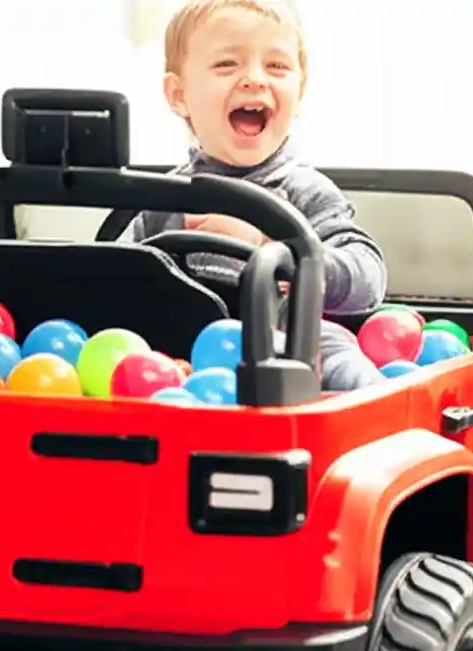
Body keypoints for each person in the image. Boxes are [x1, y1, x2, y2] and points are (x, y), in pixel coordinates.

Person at [129, 0, 387, 390]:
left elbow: (367, 279)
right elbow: (116, 275)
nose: (254, 79)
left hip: (287, 355)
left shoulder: (305, 192)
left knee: (339, 358)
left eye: (277, 66)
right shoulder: (163, 199)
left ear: (300, 92)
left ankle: (373, 424)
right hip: (178, 357)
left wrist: (271, 246)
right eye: (226, 65)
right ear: (179, 94)